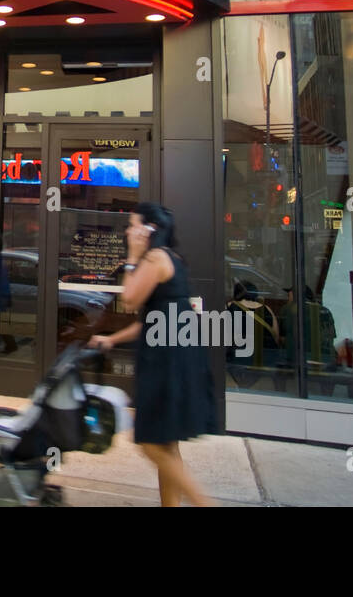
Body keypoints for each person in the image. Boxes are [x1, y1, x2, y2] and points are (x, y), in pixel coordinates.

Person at [90, 202, 215, 507]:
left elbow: (130, 300)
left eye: (133, 225)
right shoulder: (173, 258)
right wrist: (112, 339)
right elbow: (152, 319)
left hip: (166, 361)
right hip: (177, 354)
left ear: (150, 230)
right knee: (166, 444)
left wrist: (132, 258)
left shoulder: (155, 258)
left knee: (150, 444)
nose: (128, 231)